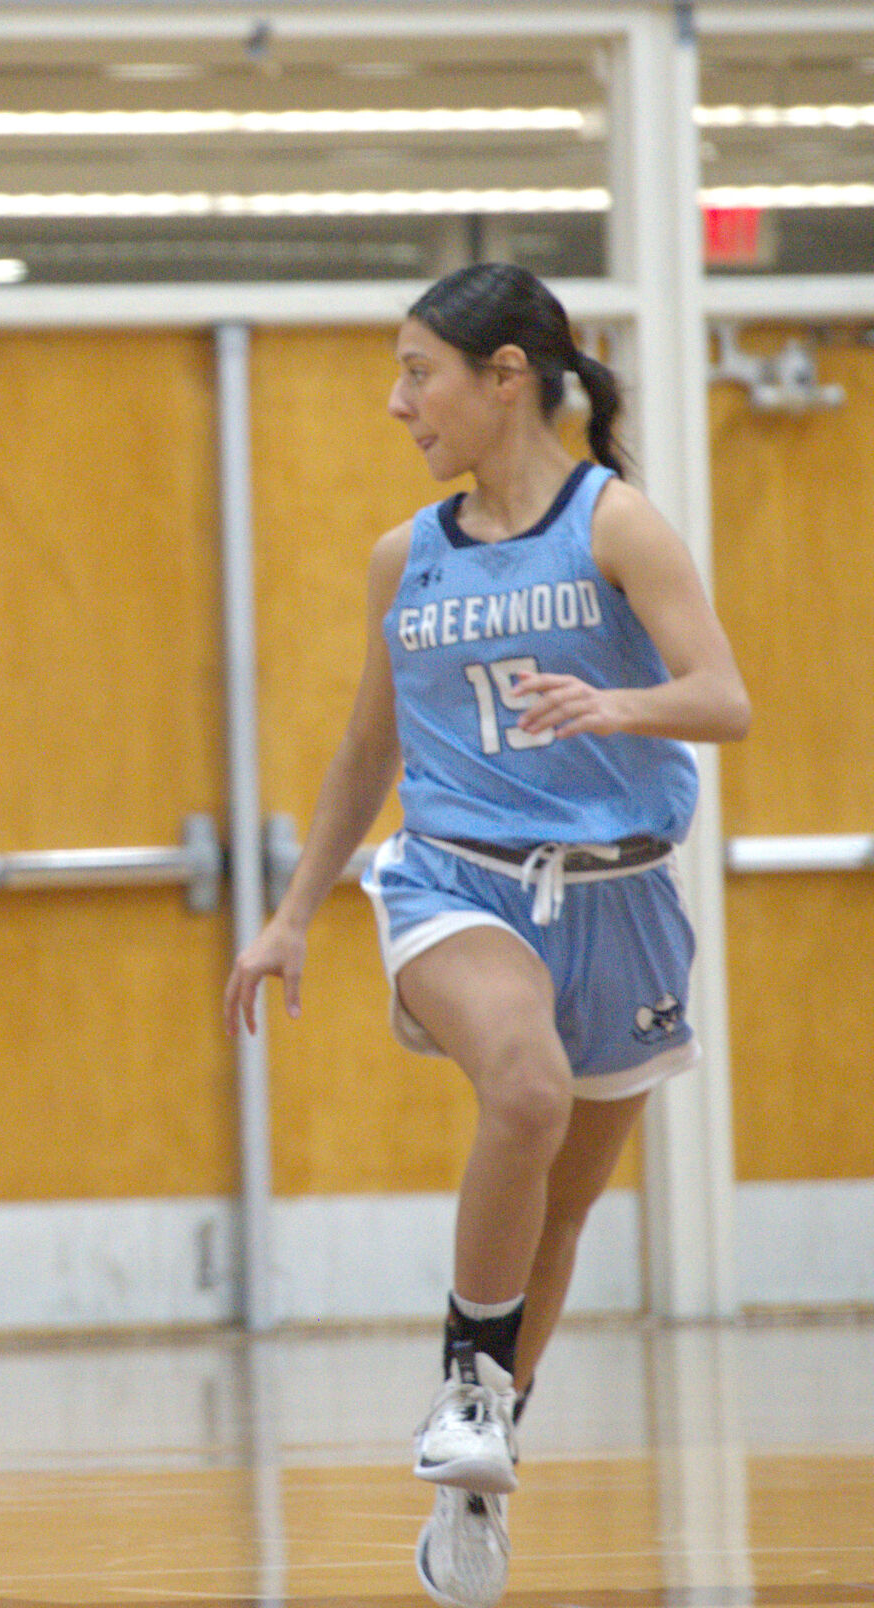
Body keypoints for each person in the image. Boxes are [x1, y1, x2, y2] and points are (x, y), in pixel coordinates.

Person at [223, 263, 749, 1608]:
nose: (399, 402)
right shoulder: (409, 555)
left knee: (563, 1215)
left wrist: (618, 710)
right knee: (520, 1083)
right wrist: (290, 914)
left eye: (419, 372)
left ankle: (477, 1469)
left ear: (505, 376)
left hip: (623, 891)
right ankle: (466, 1379)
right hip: (460, 878)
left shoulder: (616, 525)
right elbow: (365, 747)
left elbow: (723, 697)